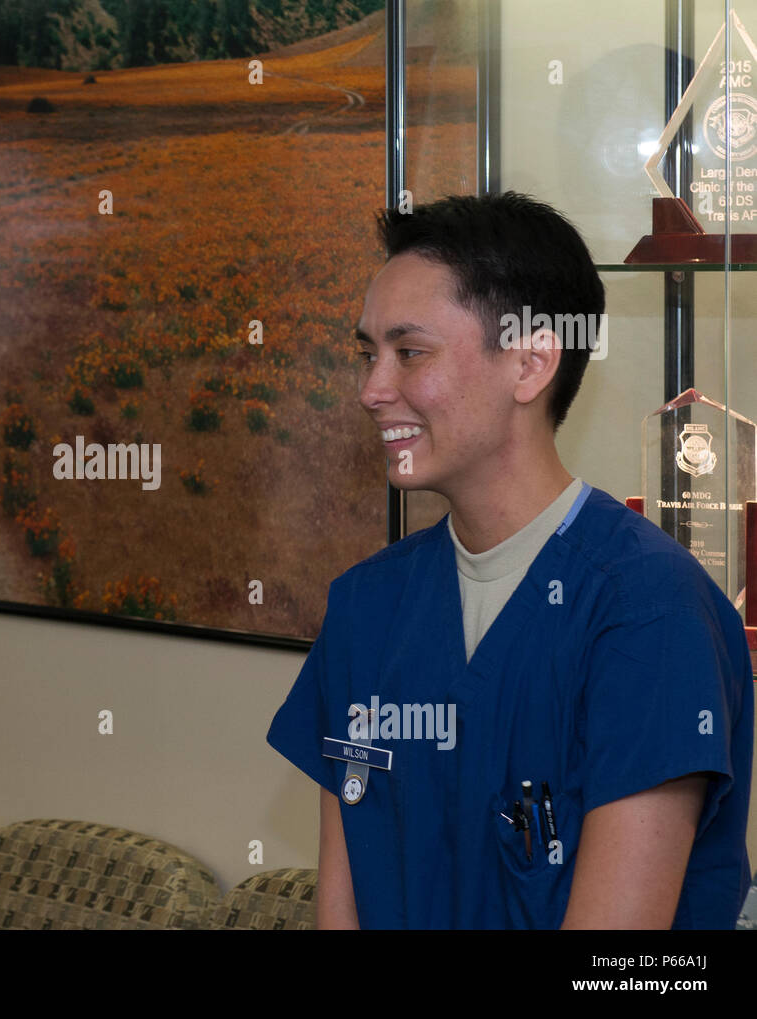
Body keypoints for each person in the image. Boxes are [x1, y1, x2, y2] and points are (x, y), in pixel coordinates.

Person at [266, 191, 753, 929]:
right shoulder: (365, 610)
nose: (372, 389)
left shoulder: (650, 613)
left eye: (410, 352)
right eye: (368, 354)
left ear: (529, 363)